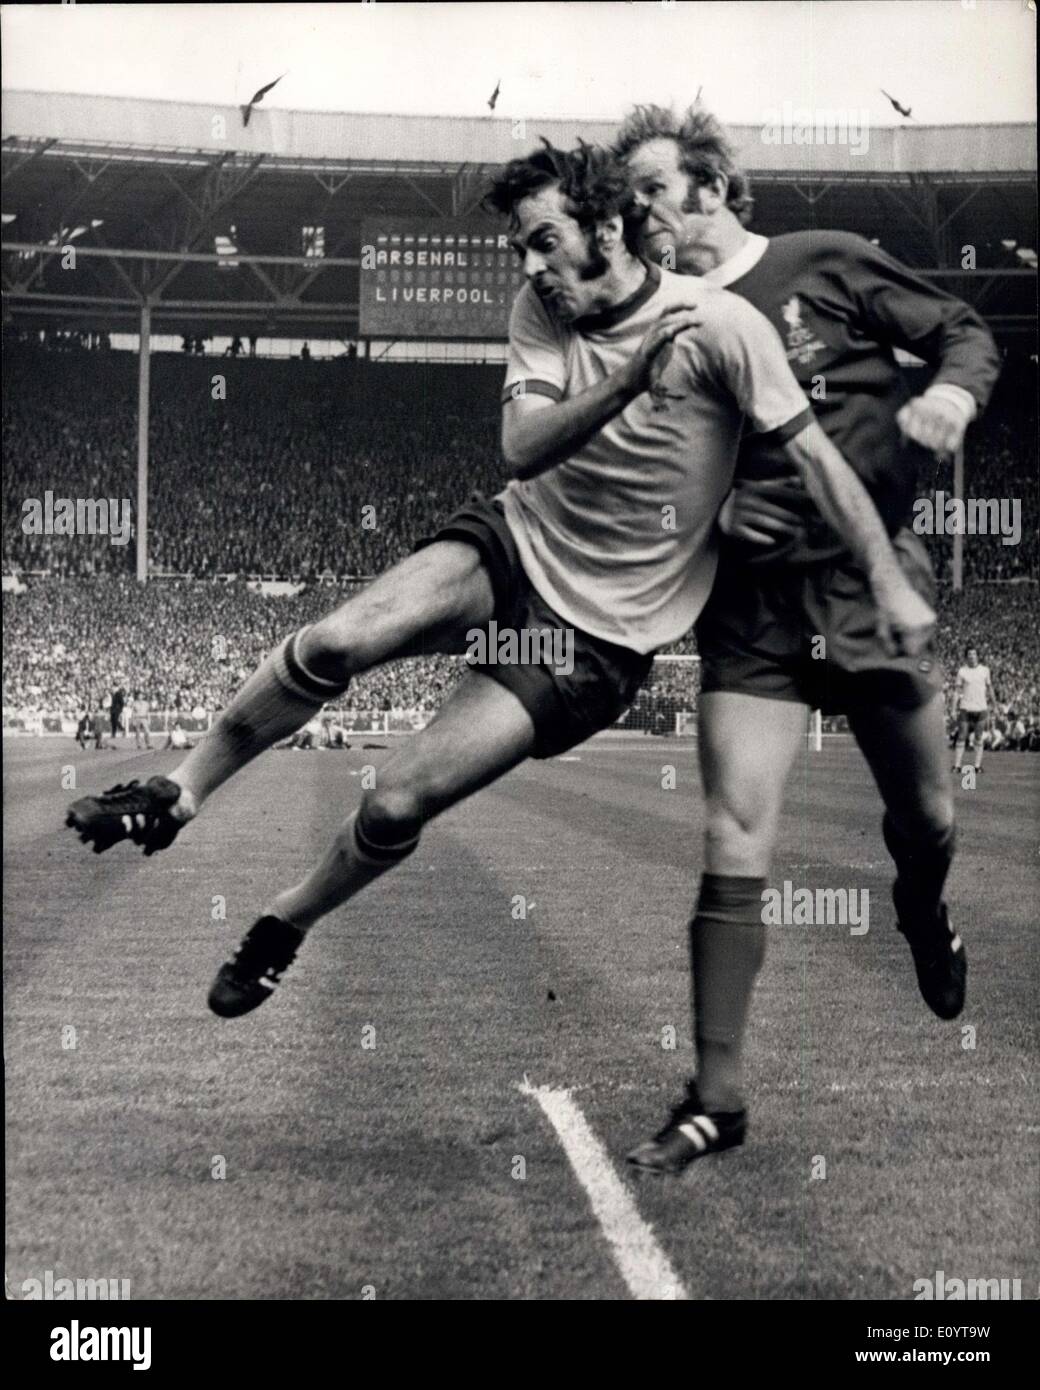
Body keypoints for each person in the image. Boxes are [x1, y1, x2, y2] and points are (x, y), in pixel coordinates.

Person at [66, 140, 929, 1024]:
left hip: (599, 635)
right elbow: (521, 446)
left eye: (544, 241)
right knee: (334, 640)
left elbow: (821, 464)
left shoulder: (721, 327)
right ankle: (182, 791)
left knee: (399, 798)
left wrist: (889, 583)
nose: (529, 264)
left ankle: (285, 921)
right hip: (516, 541)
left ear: (604, 227)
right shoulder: (541, 308)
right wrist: (631, 378)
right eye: (521, 245)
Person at [615, 103, 1001, 1173]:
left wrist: (951, 399)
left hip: (864, 585)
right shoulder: (658, 322)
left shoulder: (819, 262)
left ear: (706, 187)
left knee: (923, 815)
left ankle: (919, 908)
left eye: (648, 189)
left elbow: (961, 329)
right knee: (731, 832)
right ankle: (716, 1094)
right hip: (752, 606)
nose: (635, 213)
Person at [952, 646, 996, 773]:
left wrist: (995, 705)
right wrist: (953, 708)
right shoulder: (962, 671)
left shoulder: (985, 670)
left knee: (978, 736)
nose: (972, 656)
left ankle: (977, 766)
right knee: (962, 736)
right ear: (966, 656)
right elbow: (957, 691)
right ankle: (957, 766)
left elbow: (990, 688)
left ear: (977, 656)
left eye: (974, 654)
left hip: (981, 708)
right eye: (969, 654)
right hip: (965, 708)